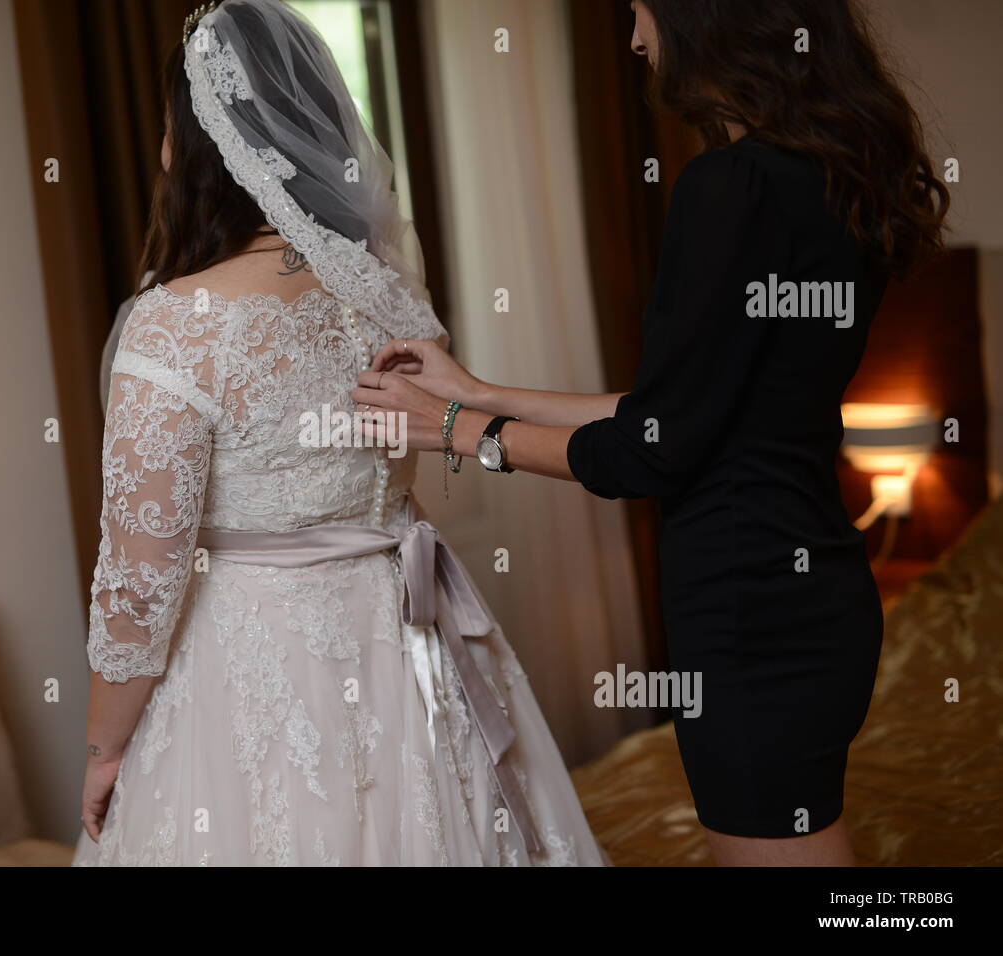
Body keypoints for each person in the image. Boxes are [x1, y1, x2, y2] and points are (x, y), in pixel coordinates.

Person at [354, 0, 949, 865]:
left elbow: (650, 449)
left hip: (749, 608)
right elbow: (680, 410)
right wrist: (478, 391)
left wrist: (458, 428)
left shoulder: (731, 184)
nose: (635, 39)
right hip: (815, 592)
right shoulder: (828, 177)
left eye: (641, 11)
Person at [72, 0, 606, 867]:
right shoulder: (385, 294)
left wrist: (105, 750)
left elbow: (140, 583)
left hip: (256, 666)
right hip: (405, 639)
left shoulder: (172, 326)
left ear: (197, 147)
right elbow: (398, 483)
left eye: (172, 128)